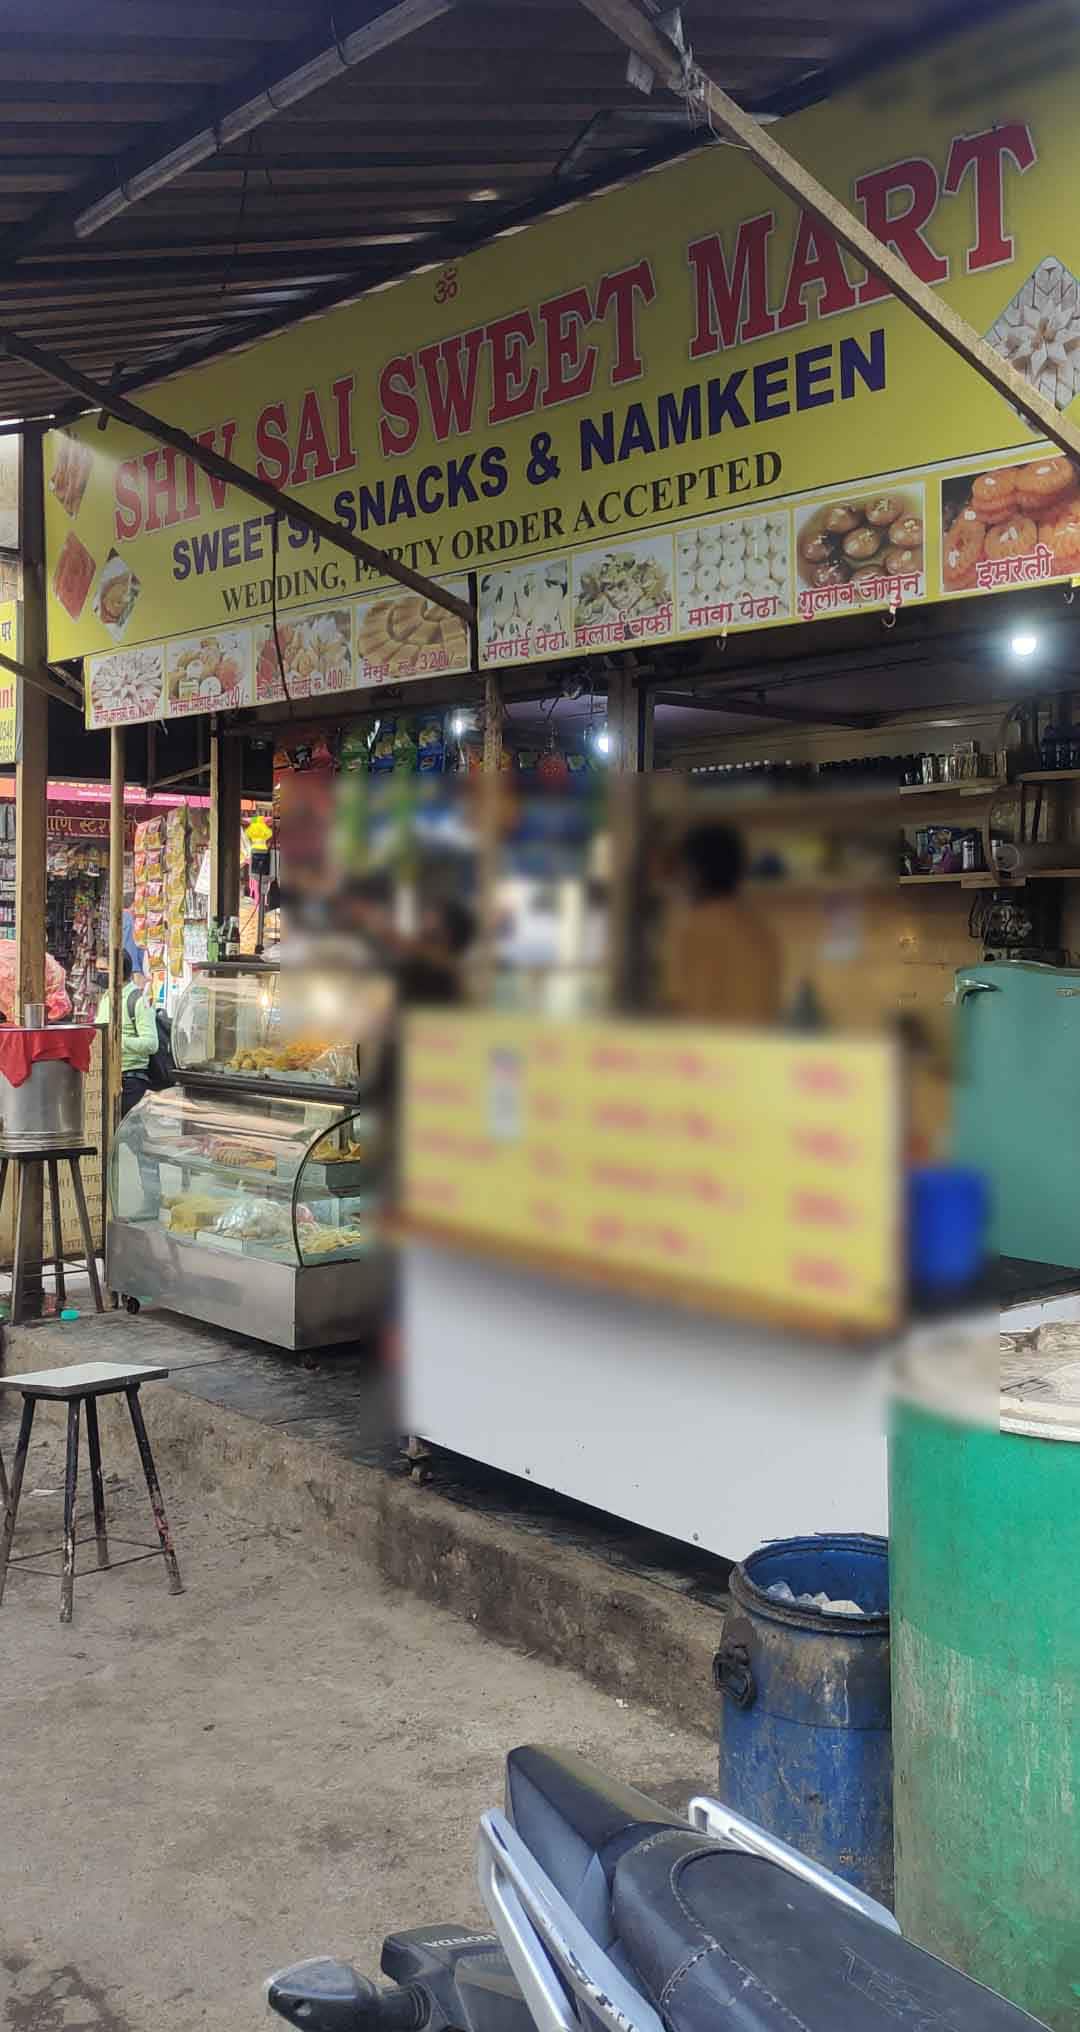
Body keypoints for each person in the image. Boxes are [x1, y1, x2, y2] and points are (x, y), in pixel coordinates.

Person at [662, 821, 781, 1026]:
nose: (678, 880)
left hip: (705, 1044)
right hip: (755, 1045)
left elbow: (678, 1008)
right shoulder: (761, 932)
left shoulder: (691, 931)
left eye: (681, 870)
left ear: (694, 873)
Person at [96, 953, 159, 1116]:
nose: (99, 975)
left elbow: (151, 1044)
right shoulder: (106, 997)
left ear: (117, 971)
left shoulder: (138, 1000)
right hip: (108, 1078)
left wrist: (117, 1041)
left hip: (131, 1082)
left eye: (103, 970)